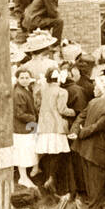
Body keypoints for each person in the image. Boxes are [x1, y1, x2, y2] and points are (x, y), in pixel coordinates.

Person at [70, 78, 105, 209]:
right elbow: (97, 127)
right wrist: (81, 133)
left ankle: (98, 204)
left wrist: (75, 131)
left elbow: (81, 117)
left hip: (85, 149)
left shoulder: (93, 102)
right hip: (97, 150)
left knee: (91, 179)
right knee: (97, 181)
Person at [34, 66, 75, 195]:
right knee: (58, 154)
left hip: (44, 126)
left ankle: (48, 178)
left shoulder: (42, 90)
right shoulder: (62, 92)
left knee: (48, 154)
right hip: (57, 126)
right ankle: (52, 178)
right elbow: (62, 109)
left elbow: (37, 105)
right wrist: (74, 112)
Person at [11, 67, 39, 188]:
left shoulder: (25, 90)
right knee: (22, 152)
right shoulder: (18, 93)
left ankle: (31, 170)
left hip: (26, 126)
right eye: (22, 78)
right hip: (21, 127)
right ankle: (23, 177)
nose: (25, 80)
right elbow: (19, 114)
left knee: (28, 150)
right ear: (17, 79)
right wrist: (34, 118)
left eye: (27, 77)